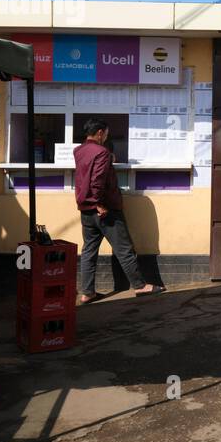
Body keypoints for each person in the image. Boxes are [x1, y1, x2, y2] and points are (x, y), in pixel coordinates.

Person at [74, 118, 162, 303]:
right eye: (106, 133)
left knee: (89, 250)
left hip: (85, 210)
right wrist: (98, 203)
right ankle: (140, 286)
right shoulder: (102, 152)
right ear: (99, 133)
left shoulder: (79, 151)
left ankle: (87, 292)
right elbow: (97, 180)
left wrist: (109, 157)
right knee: (124, 249)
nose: (106, 137)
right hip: (104, 210)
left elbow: (87, 172)